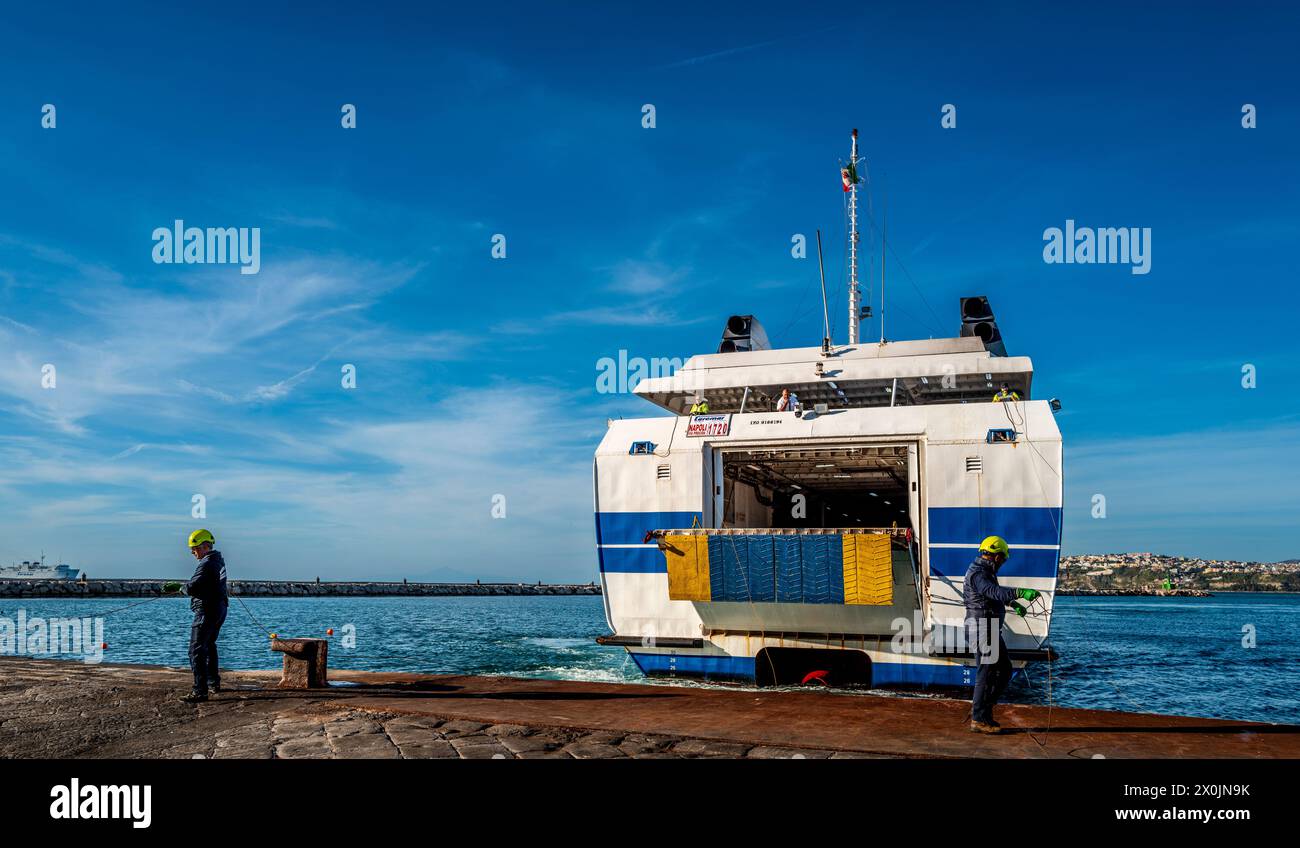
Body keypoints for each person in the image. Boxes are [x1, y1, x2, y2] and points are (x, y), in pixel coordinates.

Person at [963, 535, 1039, 733]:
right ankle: (978, 719)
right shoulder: (979, 573)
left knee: (1004, 670)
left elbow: (990, 595)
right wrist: (1020, 593)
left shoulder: (985, 571)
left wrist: (1012, 604)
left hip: (989, 629)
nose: (1004, 562)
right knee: (986, 674)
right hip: (982, 629)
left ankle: (984, 713)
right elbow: (992, 591)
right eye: (1003, 558)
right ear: (996, 556)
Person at [162, 529, 229, 703]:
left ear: (205, 546)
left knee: (196, 649)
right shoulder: (218, 561)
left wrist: (179, 587)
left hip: (207, 610)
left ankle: (200, 690)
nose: (193, 552)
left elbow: (193, 587)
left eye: (195, 548)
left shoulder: (207, 563)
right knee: (209, 645)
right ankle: (213, 682)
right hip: (219, 608)